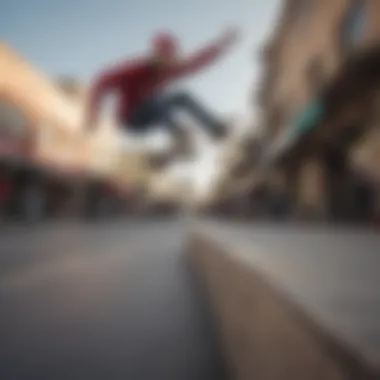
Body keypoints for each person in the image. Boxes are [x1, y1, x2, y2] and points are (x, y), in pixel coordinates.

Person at [84, 27, 240, 155]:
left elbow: (197, 62)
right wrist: (93, 114)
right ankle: (179, 136)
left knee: (182, 97)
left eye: (169, 59)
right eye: (162, 58)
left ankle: (215, 129)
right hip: (130, 120)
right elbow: (101, 83)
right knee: (154, 99)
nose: (165, 65)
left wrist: (220, 45)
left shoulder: (171, 70)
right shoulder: (135, 70)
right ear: (155, 55)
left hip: (153, 114)